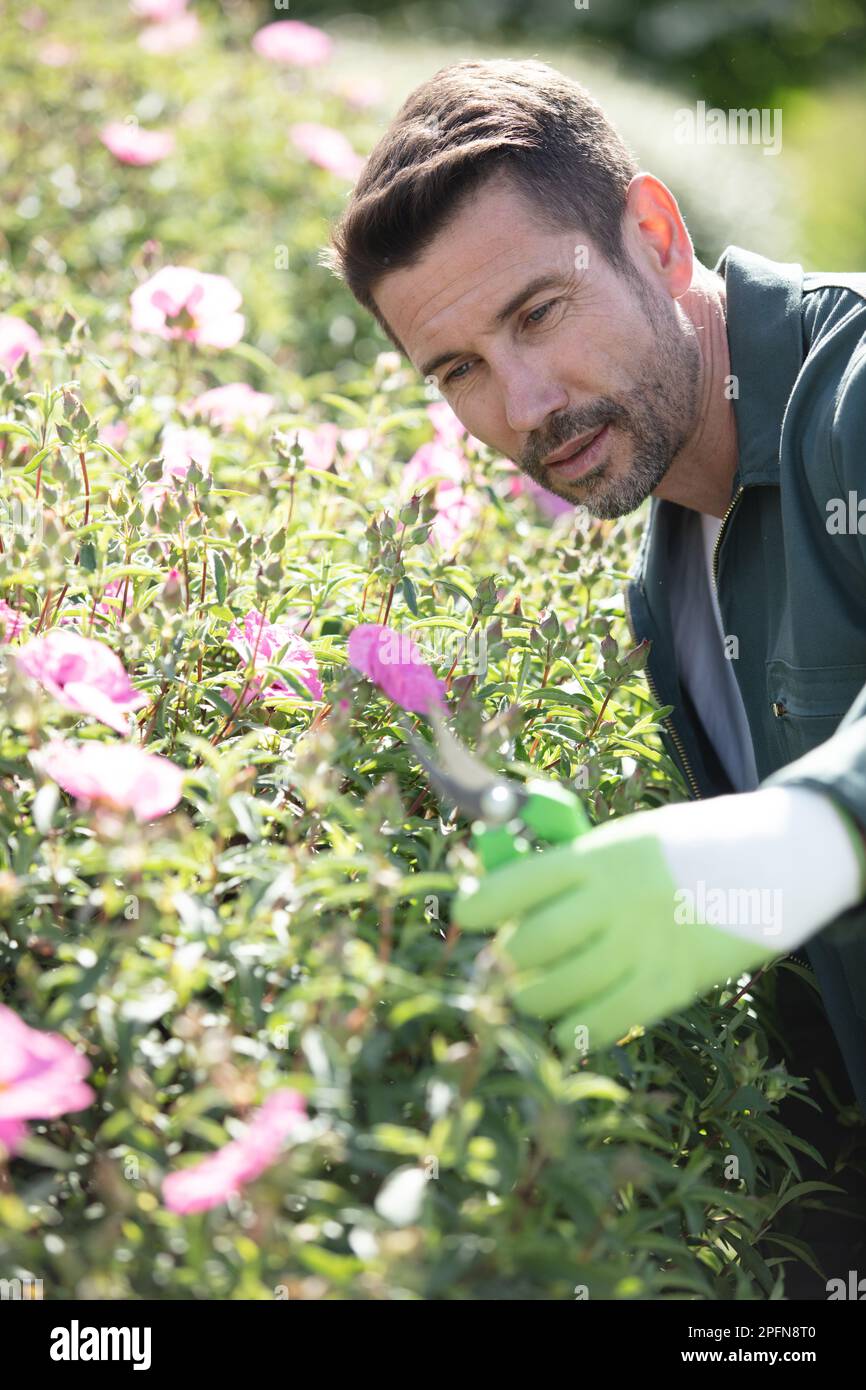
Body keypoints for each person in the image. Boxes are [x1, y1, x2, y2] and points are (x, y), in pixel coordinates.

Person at [325, 59, 866, 1290]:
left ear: (657, 236)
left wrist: (811, 828)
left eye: (537, 313)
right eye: (455, 368)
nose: (521, 404)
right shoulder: (663, 574)